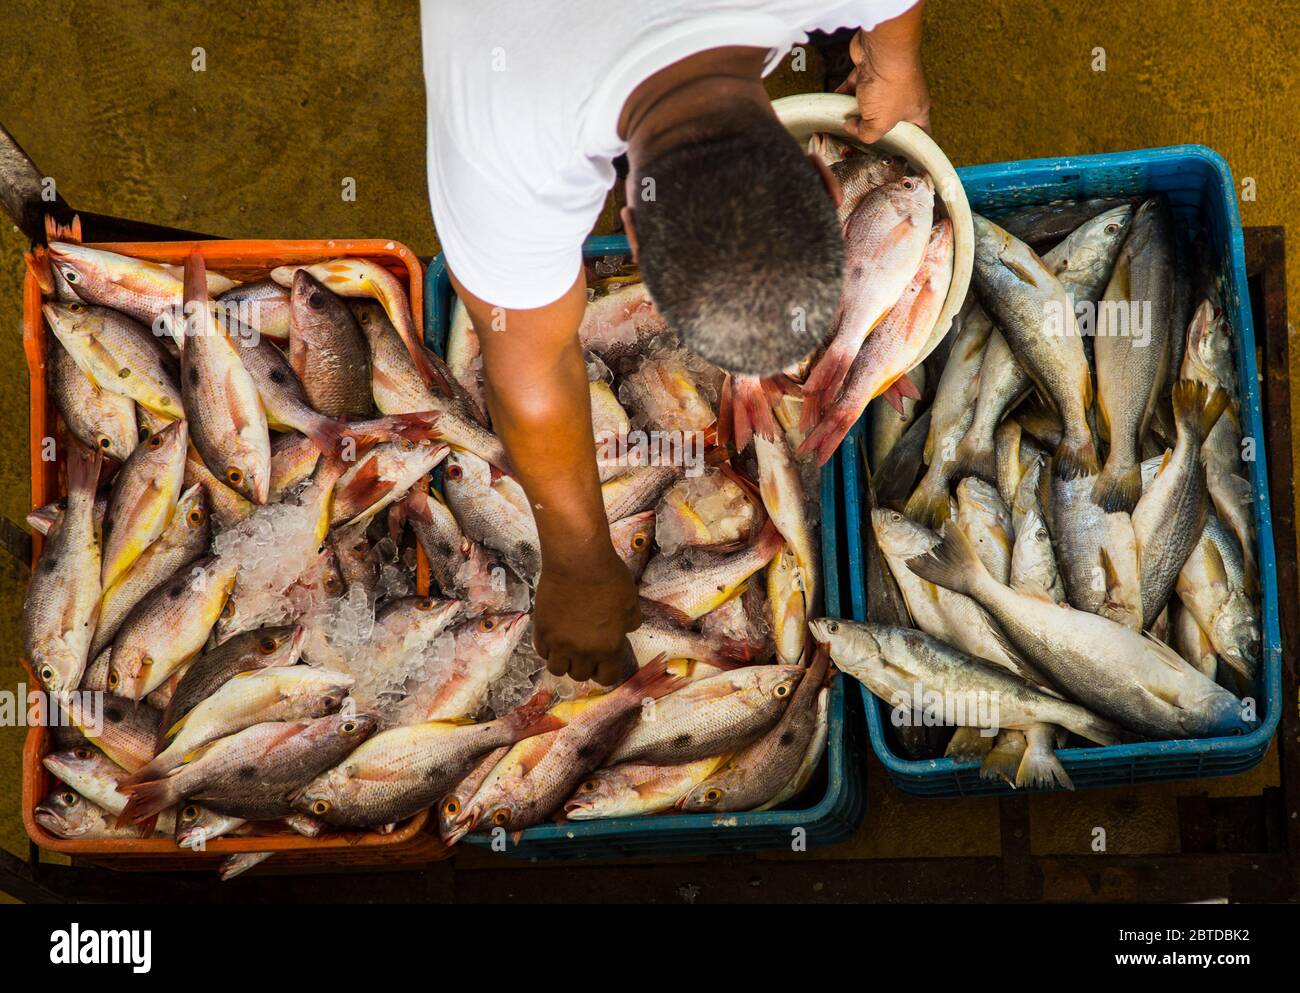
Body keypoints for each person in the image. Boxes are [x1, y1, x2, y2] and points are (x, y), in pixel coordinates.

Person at [421, 1, 930, 685]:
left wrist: (895, 59)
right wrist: (576, 565)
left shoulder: (511, 135)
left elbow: (539, 363)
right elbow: (531, 370)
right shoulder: (504, 142)